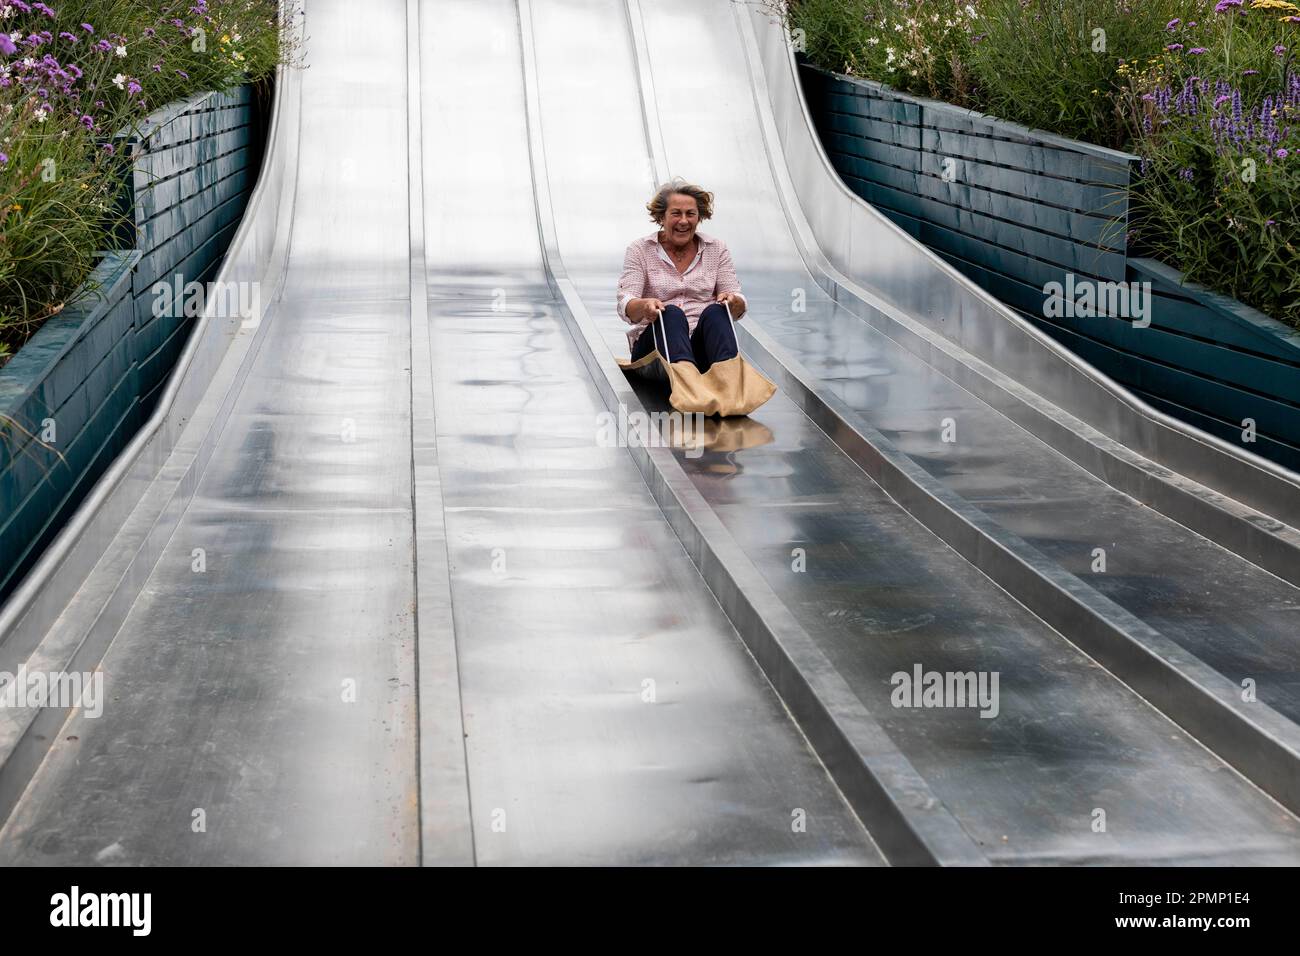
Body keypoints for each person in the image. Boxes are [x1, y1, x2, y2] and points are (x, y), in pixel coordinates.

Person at [617, 178, 747, 376]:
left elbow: (736, 301)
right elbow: (626, 304)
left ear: (699, 217)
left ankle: (729, 379)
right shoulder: (640, 250)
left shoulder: (716, 248)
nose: (684, 221)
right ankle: (685, 382)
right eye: (676, 213)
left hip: (701, 347)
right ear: (662, 217)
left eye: (691, 214)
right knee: (671, 313)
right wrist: (645, 306)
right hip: (655, 349)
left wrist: (733, 302)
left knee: (716, 312)